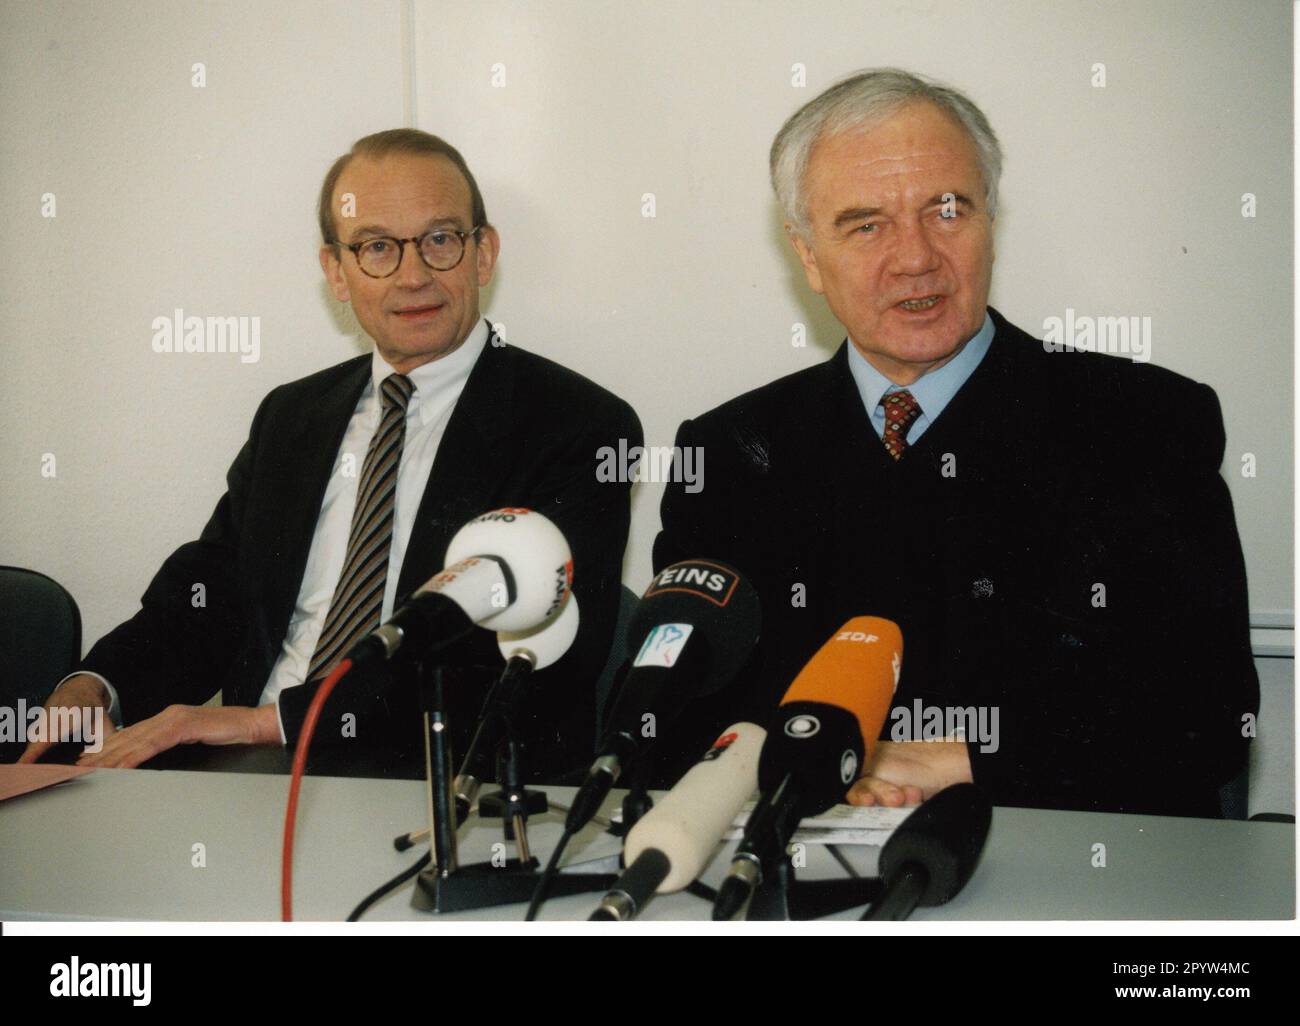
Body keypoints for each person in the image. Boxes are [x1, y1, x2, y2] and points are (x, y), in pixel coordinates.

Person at [652, 69, 1258, 817]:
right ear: (808, 257)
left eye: (947, 211)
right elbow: (678, 717)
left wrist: (959, 758)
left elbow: (1207, 718)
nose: (915, 258)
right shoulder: (730, 452)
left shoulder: (1143, 423)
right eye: (866, 224)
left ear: (991, 222)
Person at [21, 129, 642, 780]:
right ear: (336, 273)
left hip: (436, 782)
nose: (413, 274)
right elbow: (209, 594)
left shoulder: (579, 426)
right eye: (377, 247)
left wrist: (274, 721)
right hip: (247, 780)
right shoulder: (291, 417)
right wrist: (99, 682)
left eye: (440, 239)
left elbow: (524, 669)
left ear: (482, 254)